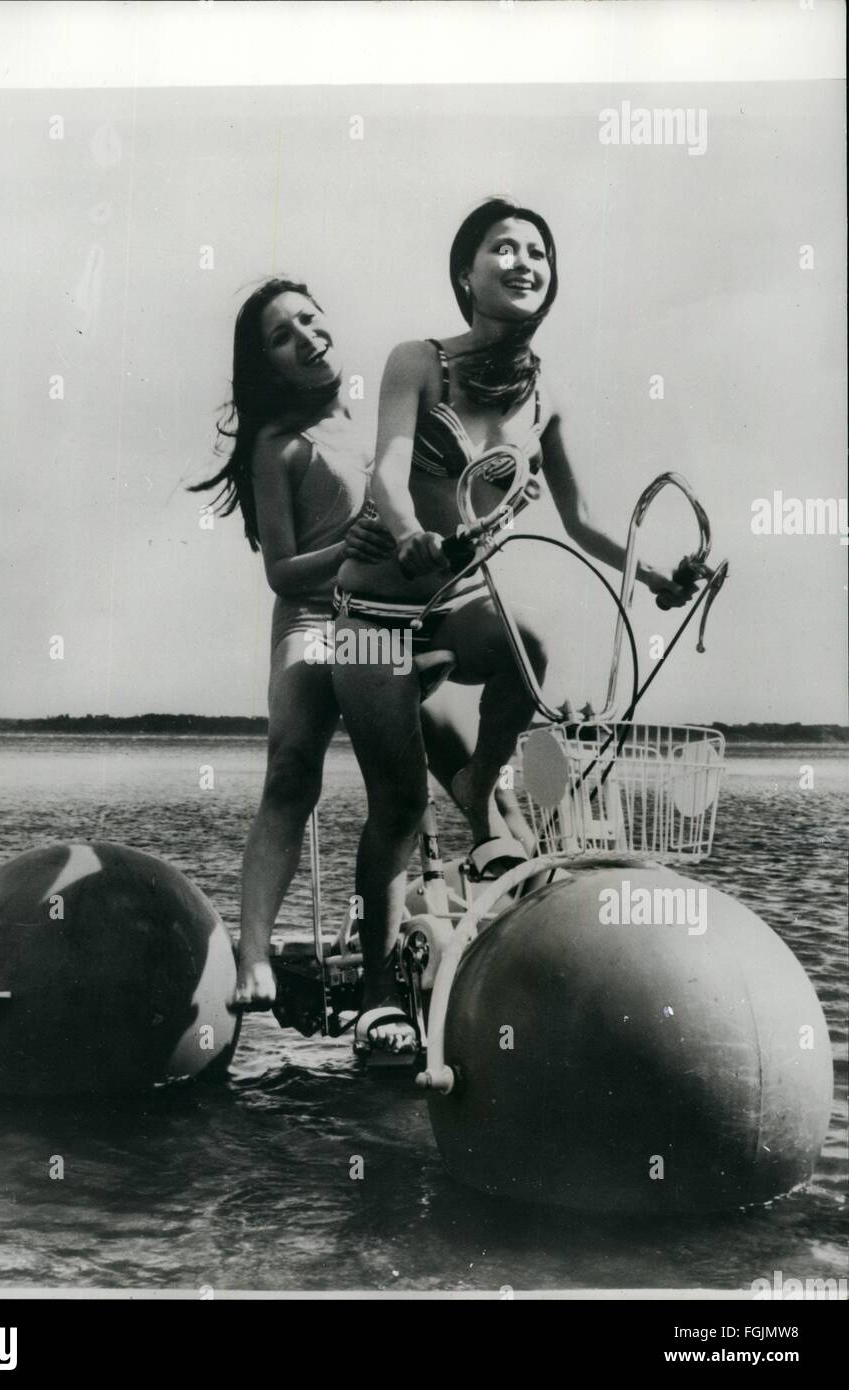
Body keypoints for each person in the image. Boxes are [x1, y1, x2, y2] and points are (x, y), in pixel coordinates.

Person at [332, 198, 701, 1054]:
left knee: (525, 645)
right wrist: (412, 534)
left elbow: (582, 519)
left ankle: (486, 819)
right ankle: (379, 1001)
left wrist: (654, 575)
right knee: (393, 806)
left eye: (537, 250)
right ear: (467, 273)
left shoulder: (547, 396)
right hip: (370, 607)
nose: (523, 260)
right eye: (503, 247)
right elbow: (388, 469)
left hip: (456, 602)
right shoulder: (415, 360)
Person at [190, 277, 527, 1010]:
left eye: (309, 320)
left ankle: (504, 891)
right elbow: (281, 571)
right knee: (291, 770)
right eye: (282, 335)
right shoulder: (280, 447)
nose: (306, 337)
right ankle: (253, 958)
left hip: (393, 618)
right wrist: (347, 545)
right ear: (267, 363)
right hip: (314, 622)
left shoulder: (385, 422)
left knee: (466, 753)